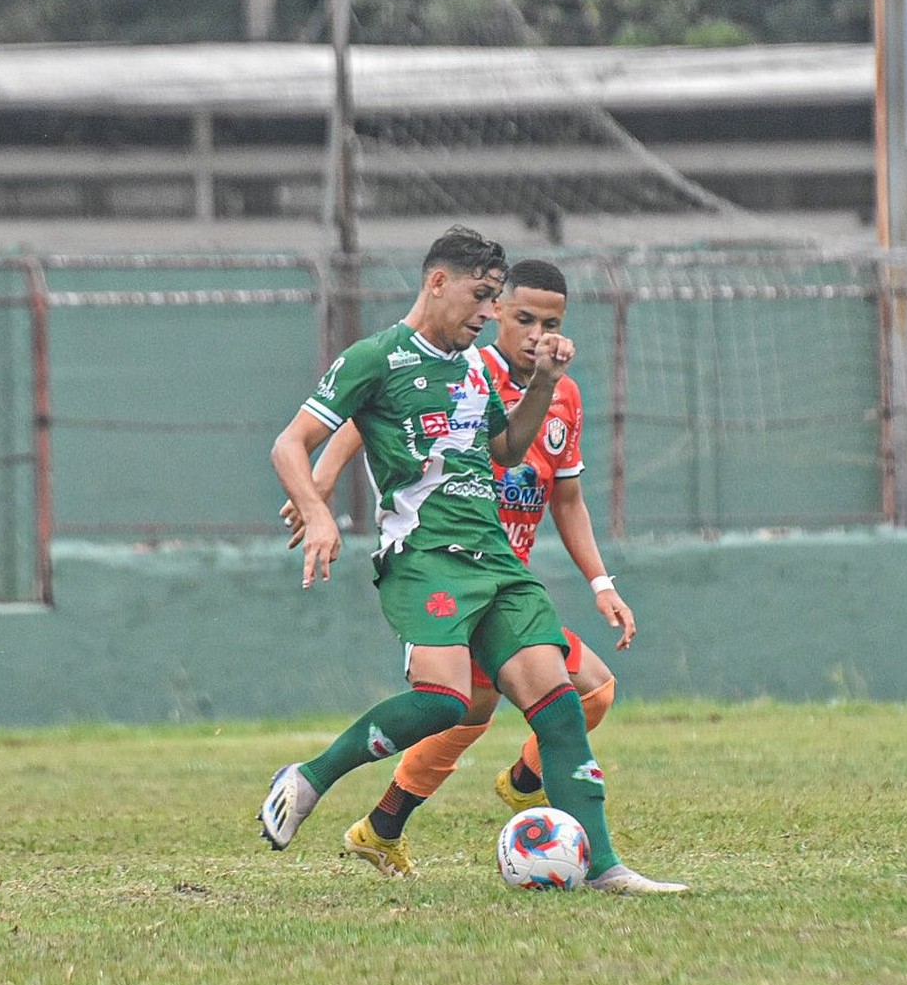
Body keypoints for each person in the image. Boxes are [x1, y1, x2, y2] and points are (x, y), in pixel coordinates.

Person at [261, 224, 675, 894]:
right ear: (437, 283)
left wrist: (543, 381)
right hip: (426, 556)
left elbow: (507, 450)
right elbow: (290, 443)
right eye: (482, 298)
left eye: (493, 302)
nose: (488, 314)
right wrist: (316, 509)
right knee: (446, 701)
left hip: (496, 560)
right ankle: (310, 777)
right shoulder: (377, 358)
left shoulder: (471, 369)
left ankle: (604, 867)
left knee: (561, 698)